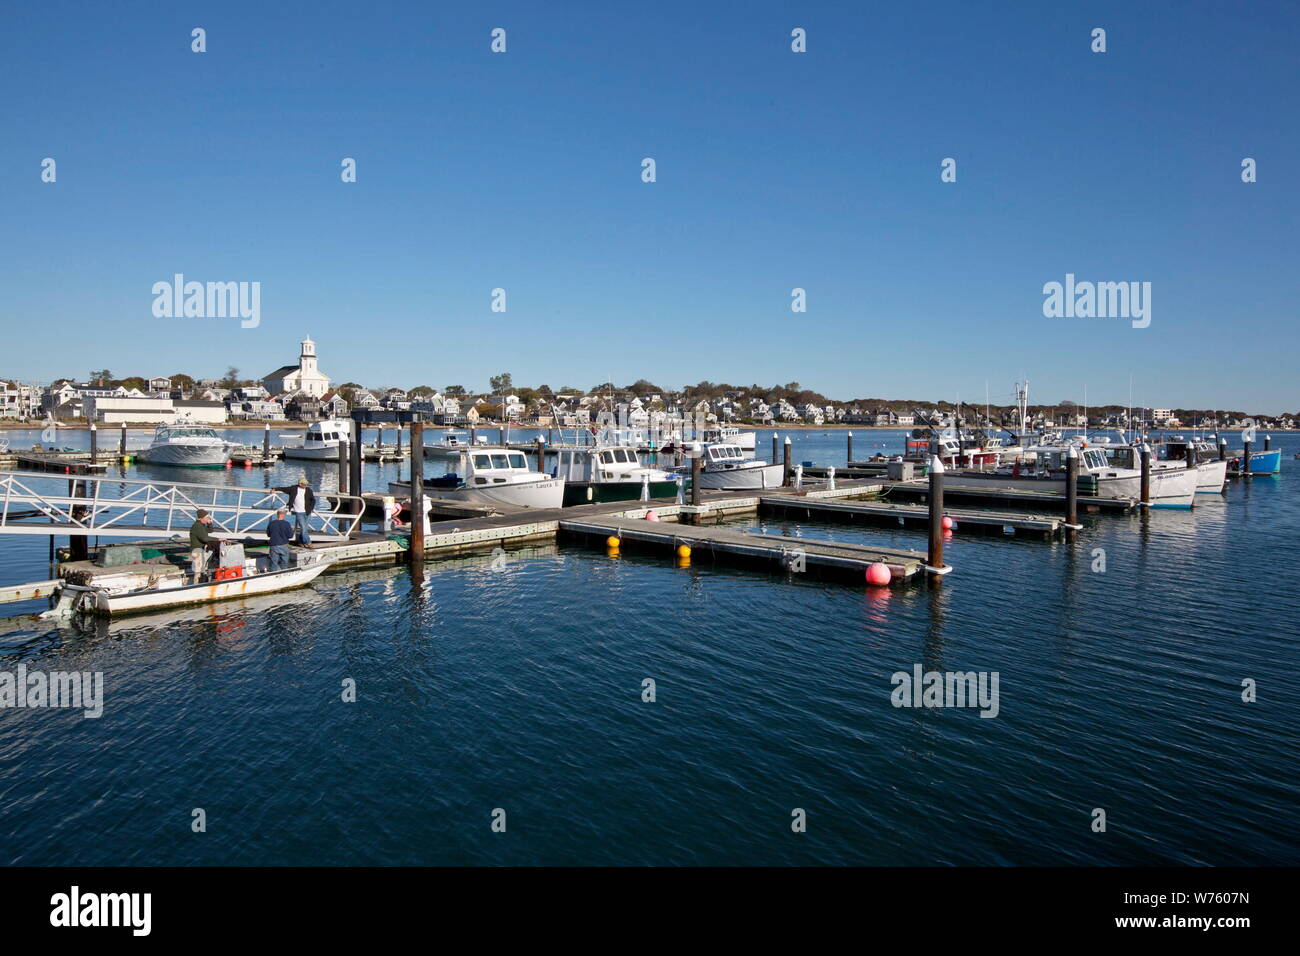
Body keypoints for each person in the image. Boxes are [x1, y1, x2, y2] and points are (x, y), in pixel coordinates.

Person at [275, 477, 316, 546]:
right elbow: (283, 489)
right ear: (300, 484)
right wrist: (274, 489)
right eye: (304, 484)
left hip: (307, 512)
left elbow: (313, 500)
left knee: (304, 528)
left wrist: (311, 508)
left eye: (306, 484)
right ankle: (308, 542)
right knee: (303, 527)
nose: (306, 485)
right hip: (299, 512)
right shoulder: (293, 489)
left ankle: (300, 542)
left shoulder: (309, 490)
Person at [189, 509, 215, 581]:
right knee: (198, 571)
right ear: (202, 518)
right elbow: (204, 539)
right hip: (196, 551)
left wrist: (209, 523)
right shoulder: (197, 526)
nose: (209, 518)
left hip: (199, 550)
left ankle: (200, 583)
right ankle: (196, 586)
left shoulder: (201, 525)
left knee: (201, 569)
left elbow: (210, 531)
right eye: (207, 517)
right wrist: (218, 539)